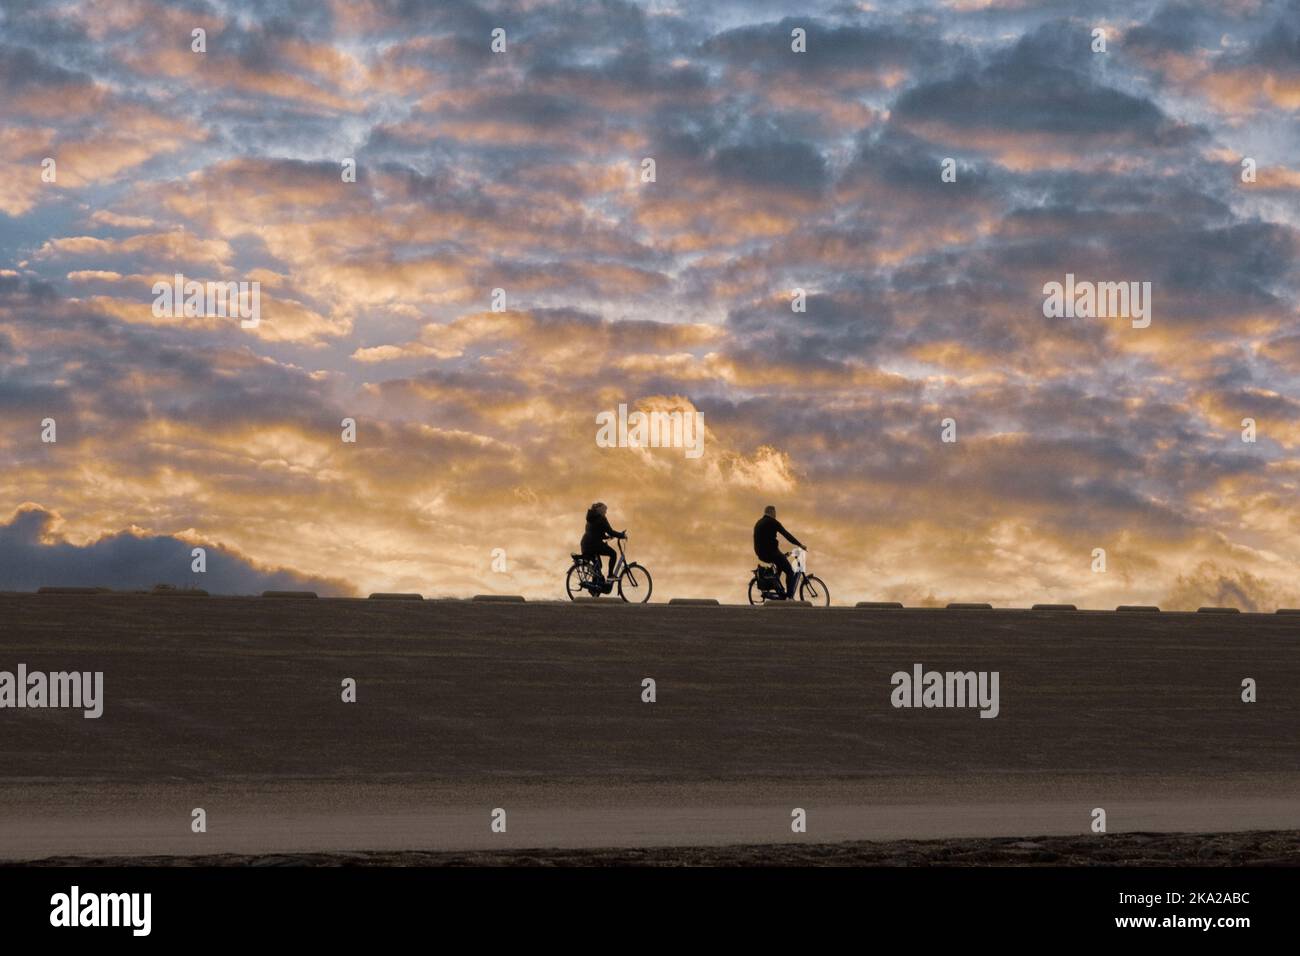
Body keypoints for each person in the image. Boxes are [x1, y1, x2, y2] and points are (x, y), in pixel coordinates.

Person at [753, 505, 805, 599]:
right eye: (775, 513)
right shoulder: (773, 522)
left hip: (761, 554)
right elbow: (786, 535)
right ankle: (790, 597)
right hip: (771, 553)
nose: (775, 515)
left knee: (781, 561)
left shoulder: (758, 523)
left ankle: (779, 590)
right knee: (789, 571)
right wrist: (799, 544)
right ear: (771, 512)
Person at [581, 502, 625, 591]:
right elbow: (610, 531)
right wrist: (621, 535)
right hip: (594, 545)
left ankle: (594, 588)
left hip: (585, 545)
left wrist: (607, 537)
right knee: (613, 554)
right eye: (605, 510)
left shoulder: (590, 518)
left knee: (598, 567)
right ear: (600, 510)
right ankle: (610, 575)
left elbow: (595, 532)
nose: (605, 512)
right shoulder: (601, 518)